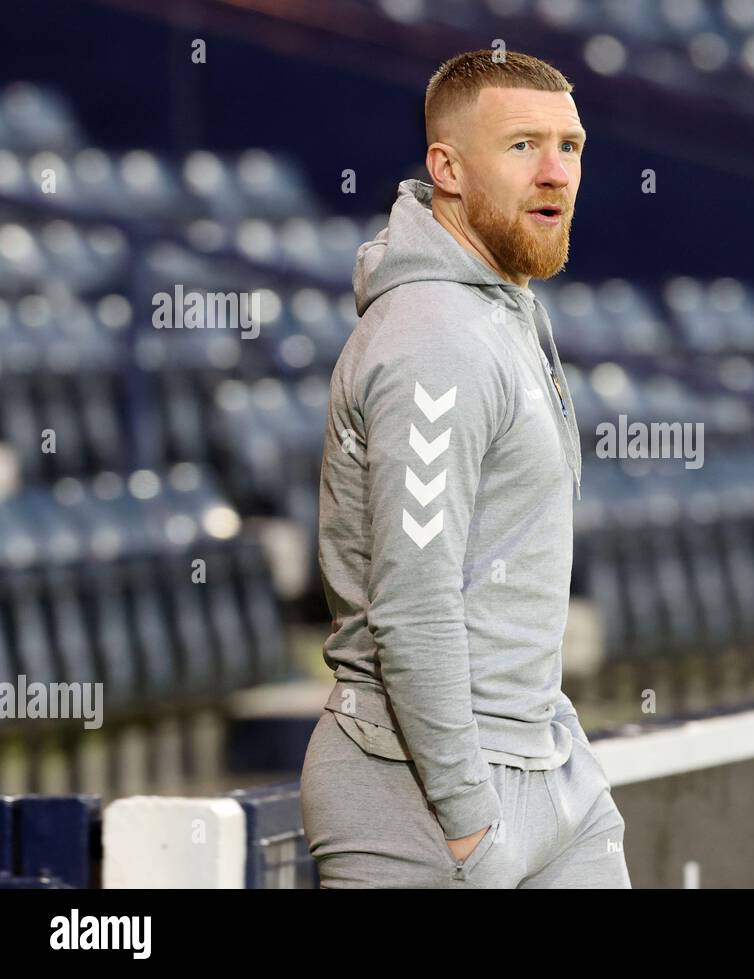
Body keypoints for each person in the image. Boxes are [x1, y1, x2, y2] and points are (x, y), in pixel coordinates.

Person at [300, 48, 630, 888]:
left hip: (545, 764)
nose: (557, 171)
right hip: (419, 793)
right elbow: (411, 602)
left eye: (573, 145)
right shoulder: (434, 336)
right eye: (523, 146)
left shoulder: (499, 302)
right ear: (445, 167)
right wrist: (469, 824)